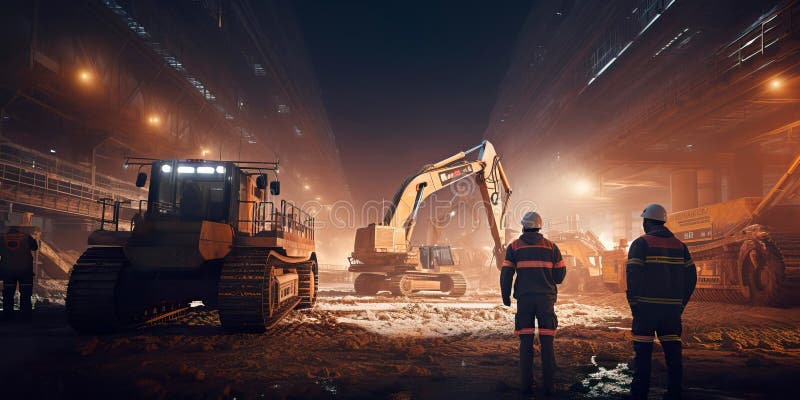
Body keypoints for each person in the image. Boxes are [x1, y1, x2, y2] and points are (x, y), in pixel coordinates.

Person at [627, 204, 697, 400]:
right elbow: (692, 277)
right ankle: (675, 393)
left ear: (647, 222)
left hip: (646, 310)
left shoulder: (641, 244)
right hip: (672, 312)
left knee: (643, 354)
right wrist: (680, 304)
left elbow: (632, 275)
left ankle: (640, 394)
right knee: (673, 354)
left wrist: (634, 303)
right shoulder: (680, 246)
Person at [501, 211, 566, 395]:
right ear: (539, 226)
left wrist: (505, 296)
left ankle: (525, 387)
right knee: (547, 344)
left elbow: (506, 273)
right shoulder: (551, 247)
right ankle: (549, 387)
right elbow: (560, 276)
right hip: (546, 301)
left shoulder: (514, 247)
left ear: (523, 226)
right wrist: (547, 277)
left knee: (526, 344)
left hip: (525, 302)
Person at [0, 226, 39, 321]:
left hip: (8, 271)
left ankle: (8, 316)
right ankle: (25, 316)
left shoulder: (2, 238)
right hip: (25, 272)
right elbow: (35, 247)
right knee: (25, 295)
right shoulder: (26, 237)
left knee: (8, 295)